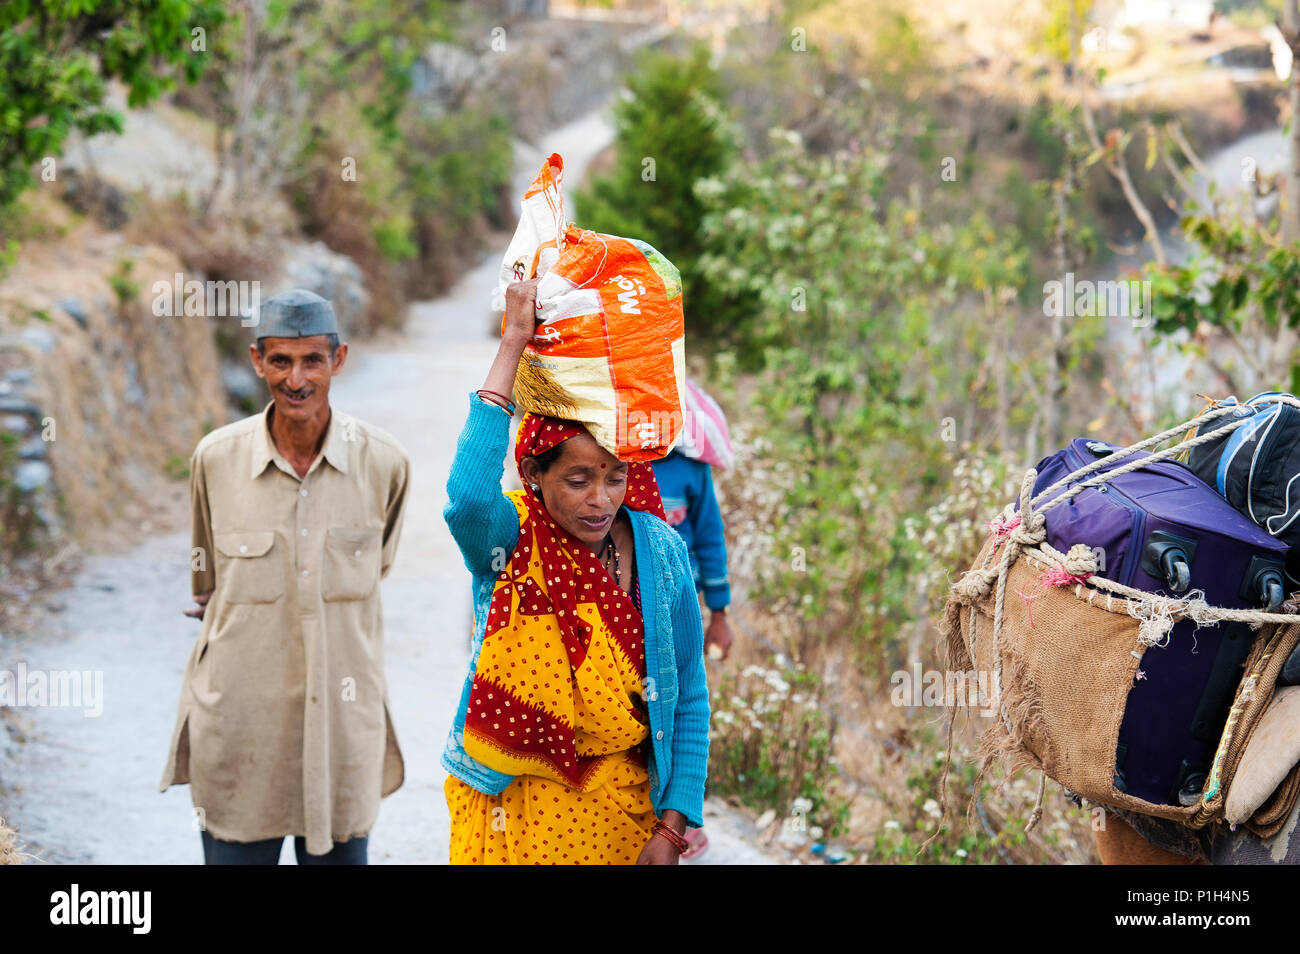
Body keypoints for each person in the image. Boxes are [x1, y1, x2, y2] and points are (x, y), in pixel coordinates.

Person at [440, 277, 709, 865]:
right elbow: (464, 497)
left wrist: (672, 829)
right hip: (515, 810)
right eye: (578, 480)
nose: (600, 501)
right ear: (535, 473)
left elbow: (689, 693)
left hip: (623, 815)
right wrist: (513, 341)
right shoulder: (512, 538)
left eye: (615, 477)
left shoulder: (660, 551)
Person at [159, 288, 411, 865]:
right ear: (256, 361)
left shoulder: (384, 462)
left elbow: (378, 568)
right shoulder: (215, 459)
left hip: (341, 730)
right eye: (280, 361)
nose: (295, 379)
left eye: (311, 360)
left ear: (338, 361)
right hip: (241, 728)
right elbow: (206, 577)